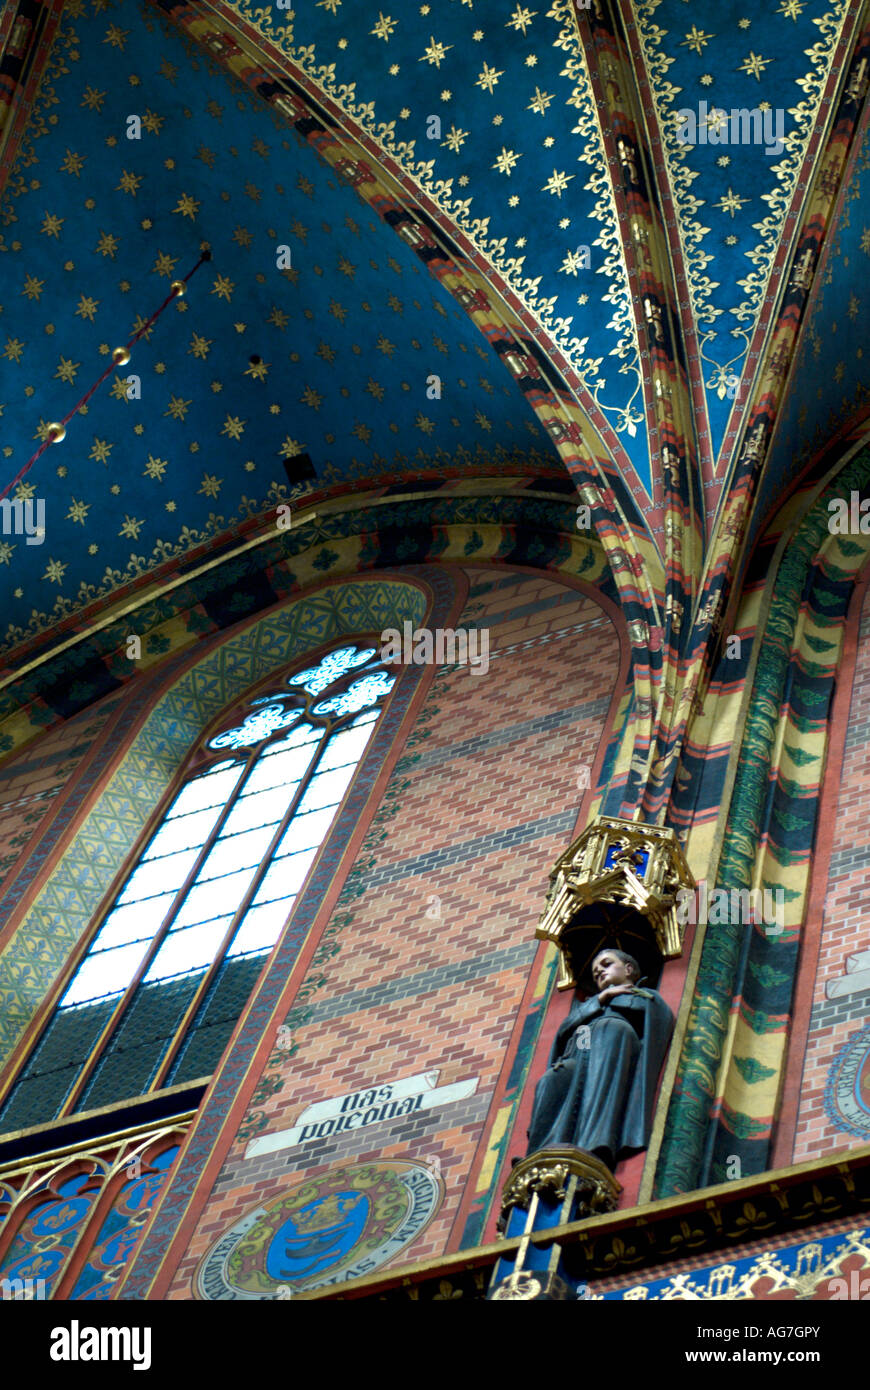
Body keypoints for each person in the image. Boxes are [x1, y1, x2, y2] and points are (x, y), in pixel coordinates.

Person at [526, 948, 674, 1169]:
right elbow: (564, 1031)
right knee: (551, 1081)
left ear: (629, 969)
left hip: (613, 1045)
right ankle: (541, 1156)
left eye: (606, 965)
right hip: (579, 1052)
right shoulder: (592, 1003)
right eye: (595, 973)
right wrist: (600, 1000)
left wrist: (616, 999)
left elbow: (658, 1017)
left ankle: (593, 1144)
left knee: (607, 1042)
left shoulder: (645, 996)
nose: (600, 973)